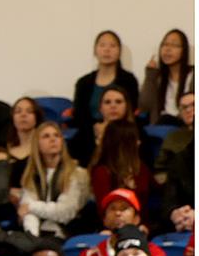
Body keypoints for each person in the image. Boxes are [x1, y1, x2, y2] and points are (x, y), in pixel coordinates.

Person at [73, 189, 170, 256]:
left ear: (136, 218)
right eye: (112, 208)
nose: (118, 213)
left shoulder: (154, 253)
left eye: (124, 208)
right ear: (104, 220)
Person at [70, 31, 140, 162]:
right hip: (90, 131)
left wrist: (109, 127)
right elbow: (79, 114)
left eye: (112, 46)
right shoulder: (84, 83)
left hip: (121, 130)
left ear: (119, 51)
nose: (107, 50)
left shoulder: (128, 80)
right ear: (95, 51)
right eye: (102, 45)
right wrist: (96, 127)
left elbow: (131, 109)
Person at [16, 121, 90, 239]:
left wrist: (32, 207)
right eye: (46, 136)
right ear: (37, 144)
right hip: (38, 235)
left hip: (67, 234)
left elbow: (65, 212)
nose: (53, 139)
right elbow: (26, 214)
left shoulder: (76, 173)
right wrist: (33, 238)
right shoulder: (31, 175)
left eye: (57, 135)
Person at [90, 120, 153, 213]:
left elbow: (158, 190)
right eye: (134, 139)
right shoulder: (102, 172)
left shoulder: (141, 168)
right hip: (116, 220)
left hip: (143, 220)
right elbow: (105, 210)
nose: (139, 143)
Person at [153, 91, 194, 232]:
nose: (189, 110)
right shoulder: (182, 159)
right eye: (184, 107)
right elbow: (170, 199)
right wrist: (175, 213)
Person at [140, 30, 193, 128]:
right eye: (165, 44)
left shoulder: (193, 76)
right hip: (161, 128)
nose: (168, 49)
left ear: (184, 50)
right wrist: (150, 75)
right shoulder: (157, 78)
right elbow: (145, 105)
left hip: (187, 129)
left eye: (174, 45)